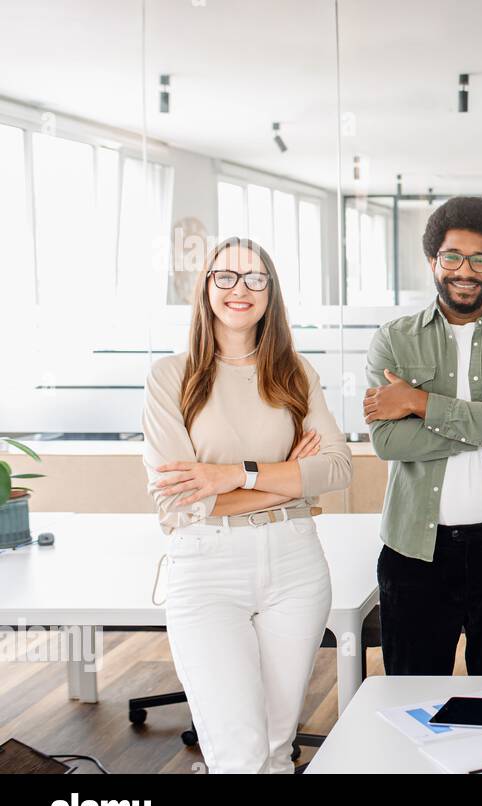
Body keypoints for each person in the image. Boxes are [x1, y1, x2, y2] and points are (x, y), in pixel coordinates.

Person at [143, 236, 352, 773]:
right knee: (238, 753)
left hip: (295, 564)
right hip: (207, 569)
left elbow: (337, 468)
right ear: (206, 286)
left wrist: (230, 475)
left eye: (256, 278)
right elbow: (180, 504)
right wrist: (290, 479)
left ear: (271, 291)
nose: (241, 289)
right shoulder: (171, 376)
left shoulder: (294, 373)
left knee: (278, 750)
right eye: (227, 276)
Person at [363, 196, 482, 676]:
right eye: (452, 257)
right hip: (414, 555)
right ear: (433, 261)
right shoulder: (393, 339)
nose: (466, 270)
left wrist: (418, 404)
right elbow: (389, 443)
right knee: (413, 703)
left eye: (481, 258)